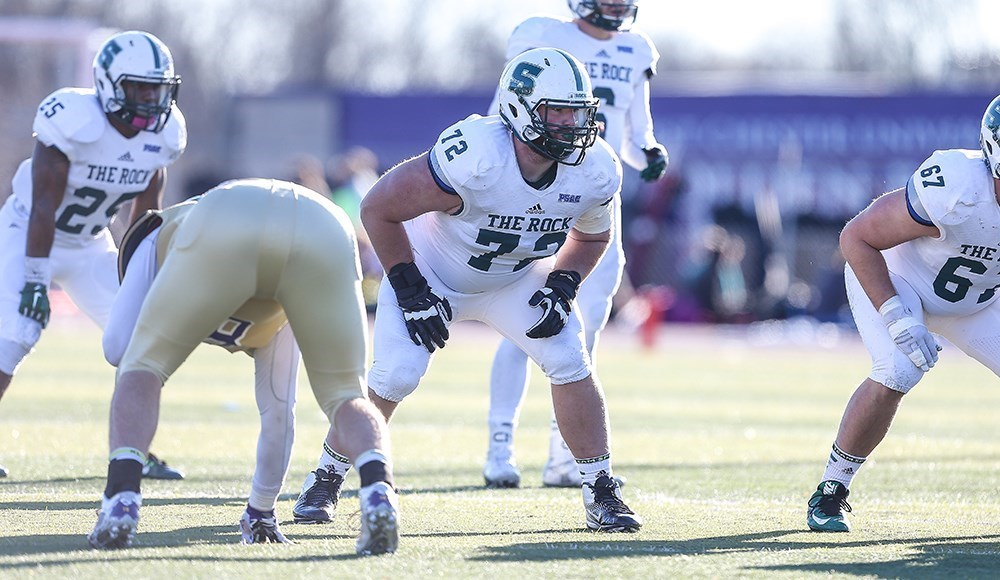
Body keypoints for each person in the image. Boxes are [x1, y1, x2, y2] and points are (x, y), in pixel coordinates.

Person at [295, 47, 642, 532]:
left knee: (569, 360)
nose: (569, 124)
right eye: (557, 111)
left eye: (576, 112)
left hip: (514, 278)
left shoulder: (594, 168)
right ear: (519, 108)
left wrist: (565, 281)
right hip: (431, 271)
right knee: (396, 374)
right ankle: (327, 476)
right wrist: (410, 287)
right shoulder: (478, 154)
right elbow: (378, 207)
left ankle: (600, 489)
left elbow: (592, 235)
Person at [87, 179, 400, 555]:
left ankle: (120, 500)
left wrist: (155, 349)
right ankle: (379, 492)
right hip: (324, 227)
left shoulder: (157, 236)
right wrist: (261, 508)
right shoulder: (269, 298)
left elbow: (118, 347)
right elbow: (279, 417)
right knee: (346, 395)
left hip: (226, 221)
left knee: (143, 365)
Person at [482, 0, 669, 488]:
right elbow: (503, 113)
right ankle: (499, 447)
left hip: (593, 191)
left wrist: (647, 152)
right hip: (536, 187)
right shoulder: (542, 32)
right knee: (522, 322)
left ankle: (563, 456)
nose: (614, 5)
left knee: (583, 331)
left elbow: (633, 135)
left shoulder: (635, 49)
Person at [805, 94, 1000, 532]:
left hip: (979, 300)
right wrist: (896, 314)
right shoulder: (957, 186)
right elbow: (857, 237)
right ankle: (832, 490)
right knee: (898, 369)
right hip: (899, 280)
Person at [0, 30, 186, 480]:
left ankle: (133, 450)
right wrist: (33, 278)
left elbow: (146, 214)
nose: (149, 98)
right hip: (27, 232)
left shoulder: (162, 135)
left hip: (88, 243)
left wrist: (140, 277)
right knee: (15, 336)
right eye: (138, 87)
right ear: (108, 84)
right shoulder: (73, 119)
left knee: (140, 340)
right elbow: (45, 207)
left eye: (156, 88)